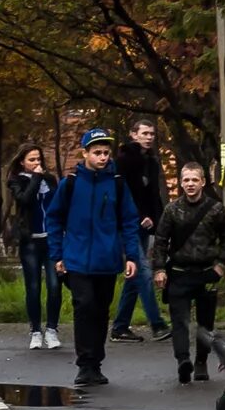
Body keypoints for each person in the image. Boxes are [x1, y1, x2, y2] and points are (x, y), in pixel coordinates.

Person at [44, 128, 139, 388]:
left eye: (106, 153)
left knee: (100, 310)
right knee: (83, 305)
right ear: (85, 153)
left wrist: (131, 255)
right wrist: (57, 254)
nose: (102, 157)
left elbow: (129, 221)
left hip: (107, 260)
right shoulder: (71, 184)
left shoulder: (117, 183)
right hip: (76, 259)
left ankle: (96, 362)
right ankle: (85, 364)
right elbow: (53, 218)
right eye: (97, 152)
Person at [155, 161, 225, 385]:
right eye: (186, 180)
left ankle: (201, 361)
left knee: (205, 323)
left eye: (194, 180)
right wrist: (160, 269)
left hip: (206, 273)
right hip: (179, 273)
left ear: (203, 182)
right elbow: (161, 241)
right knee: (179, 321)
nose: (190, 184)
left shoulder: (215, 209)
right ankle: (183, 361)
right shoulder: (172, 210)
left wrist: (221, 264)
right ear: (181, 183)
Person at [108, 119, 167, 342]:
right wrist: (140, 216)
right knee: (142, 271)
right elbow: (123, 194)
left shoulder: (151, 162)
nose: (149, 137)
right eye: (145, 133)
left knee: (134, 276)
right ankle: (157, 324)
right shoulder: (123, 160)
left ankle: (120, 327)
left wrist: (155, 218)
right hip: (127, 225)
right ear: (134, 135)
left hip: (145, 225)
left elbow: (152, 194)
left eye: (152, 133)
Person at [10, 145, 64, 352]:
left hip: (51, 239)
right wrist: (35, 178)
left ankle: (52, 329)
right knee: (33, 287)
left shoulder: (50, 180)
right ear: (23, 162)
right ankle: (35, 331)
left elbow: (58, 205)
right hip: (30, 241)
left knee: (54, 285)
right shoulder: (17, 181)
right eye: (32, 160)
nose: (36, 163)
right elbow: (25, 199)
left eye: (39, 159)